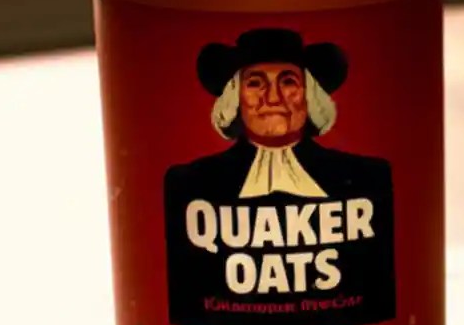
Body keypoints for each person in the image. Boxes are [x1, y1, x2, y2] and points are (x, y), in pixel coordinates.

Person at [164, 27, 392, 201]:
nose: (273, 98)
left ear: (309, 94)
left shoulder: (366, 179)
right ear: (235, 98)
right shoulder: (193, 184)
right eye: (255, 83)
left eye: (288, 82)